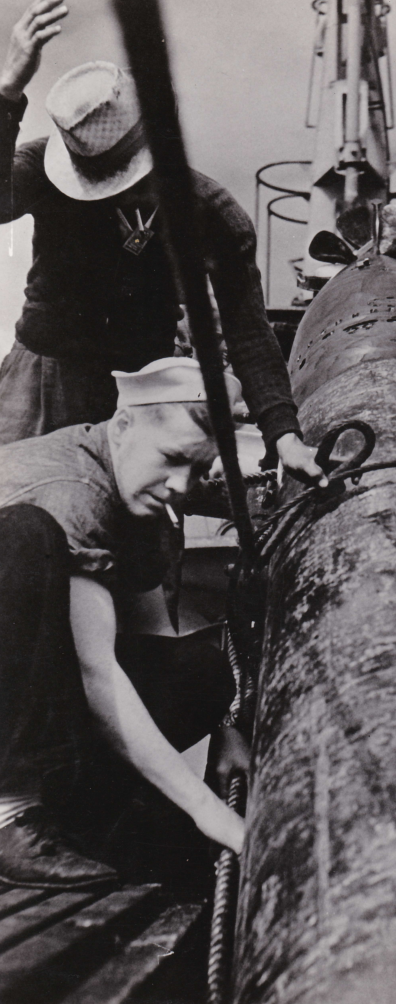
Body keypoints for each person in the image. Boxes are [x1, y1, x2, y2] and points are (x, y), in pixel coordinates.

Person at [0, 0, 321, 486]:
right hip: (40, 381)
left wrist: (284, 433)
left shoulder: (208, 211)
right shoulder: (40, 168)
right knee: (15, 521)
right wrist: (7, 92)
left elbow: (248, 331)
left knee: (136, 544)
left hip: (141, 390)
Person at [0, 357, 259, 889]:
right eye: (172, 459)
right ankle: (10, 816)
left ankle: (81, 822)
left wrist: (223, 727)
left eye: (197, 469)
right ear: (123, 426)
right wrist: (207, 810)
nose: (180, 484)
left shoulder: (132, 488)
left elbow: (155, 645)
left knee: (200, 671)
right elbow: (99, 676)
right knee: (29, 535)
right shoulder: (72, 490)